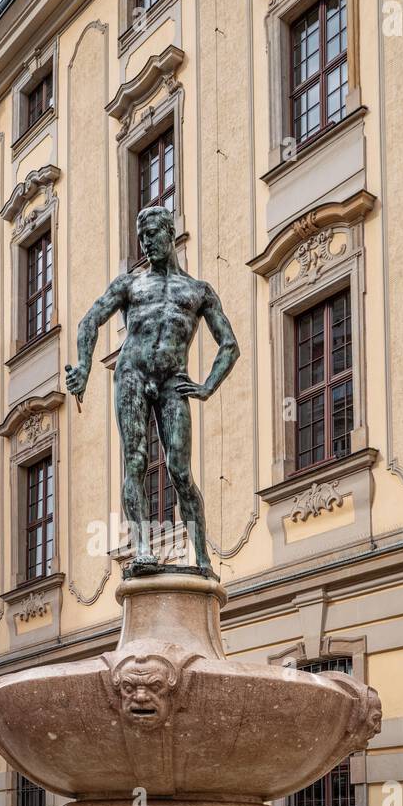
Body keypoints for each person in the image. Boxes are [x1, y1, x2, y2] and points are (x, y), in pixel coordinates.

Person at [66, 205, 240, 576]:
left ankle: (202, 558)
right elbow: (89, 321)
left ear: (170, 234)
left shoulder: (198, 291)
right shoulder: (131, 285)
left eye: (152, 234)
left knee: (179, 469)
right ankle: (143, 547)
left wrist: (208, 386)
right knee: (136, 460)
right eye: (141, 237)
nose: (146, 243)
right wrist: (82, 367)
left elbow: (229, 344)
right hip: (131, 373)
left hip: (172, 381)